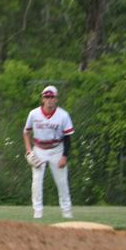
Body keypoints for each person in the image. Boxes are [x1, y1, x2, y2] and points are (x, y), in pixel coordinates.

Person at [23, 85, 75, 219]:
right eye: (46, 97)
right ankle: (38, 212)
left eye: (52, 97)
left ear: (56, 99)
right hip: (39, 149)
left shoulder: (63, 115)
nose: (49, 100)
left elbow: (68, 137)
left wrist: (64, 156)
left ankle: (66, 211)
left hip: (57, 149)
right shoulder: (33, 114)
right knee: (37, 181)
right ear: (42, 99)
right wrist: (29, 150)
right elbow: (26, 132)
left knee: (62, 182)